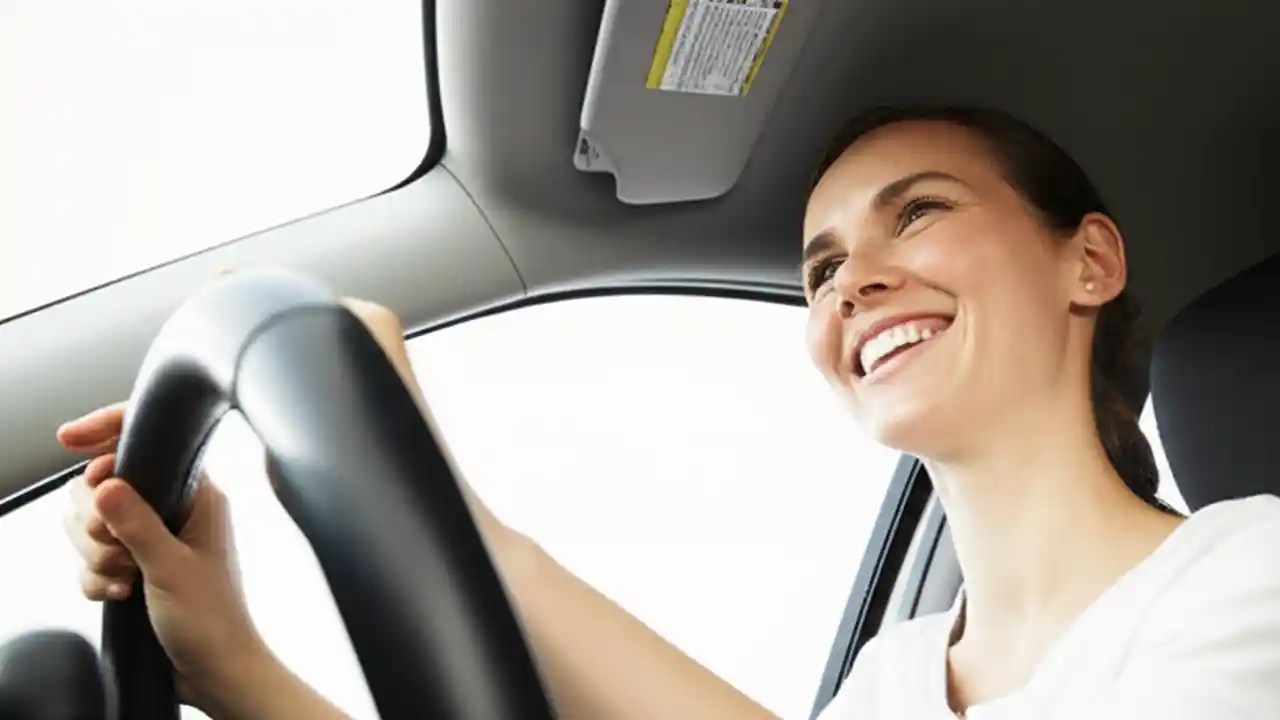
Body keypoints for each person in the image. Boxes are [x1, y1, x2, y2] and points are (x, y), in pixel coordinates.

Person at [60, 107, 1280, 719]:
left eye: (917, 214)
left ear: (1088, 262)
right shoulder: (897, 679)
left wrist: (440, 506)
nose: (853, 281)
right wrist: (233, 663)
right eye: (817, 269)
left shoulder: (1248, 578)